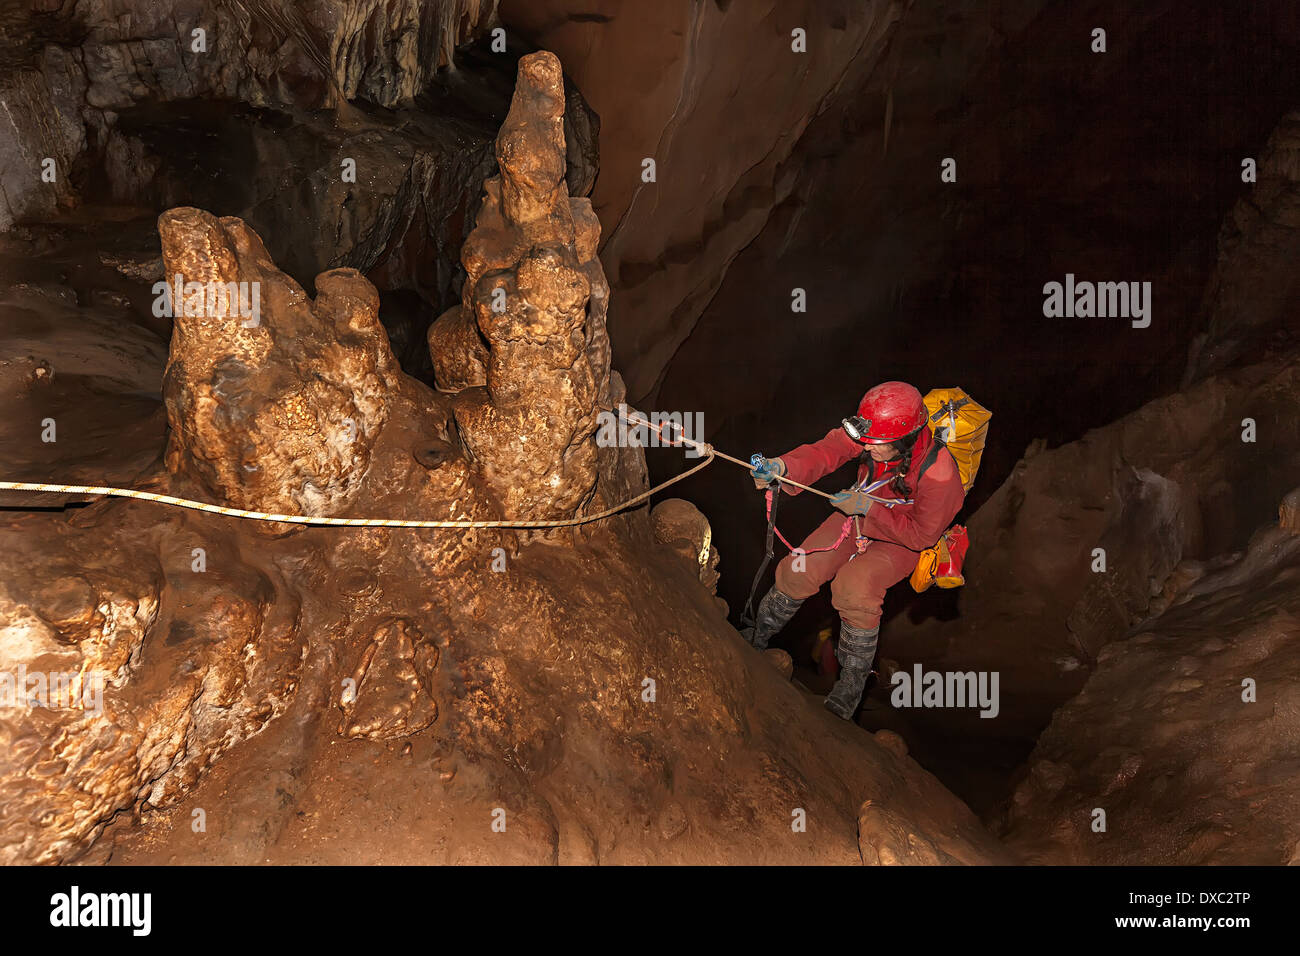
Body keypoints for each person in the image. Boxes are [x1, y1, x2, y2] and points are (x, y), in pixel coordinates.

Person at [747, 382, 965, 720]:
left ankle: (850, 687)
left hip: (901, 538)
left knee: (855, 589)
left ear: (906, 440)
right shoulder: (871, 434)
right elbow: (828, 450)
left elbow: (921, 535)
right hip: (859, 514)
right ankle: (757, 634)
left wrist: (869, 509)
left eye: (877, 445)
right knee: (798, 570)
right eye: (866, 441)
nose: (867, 448)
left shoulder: (939, 474)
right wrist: (783, 468)